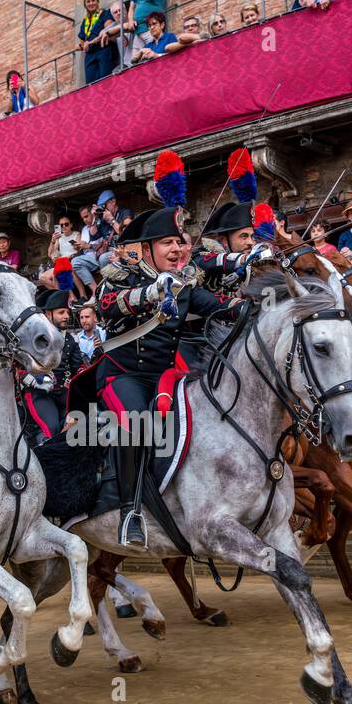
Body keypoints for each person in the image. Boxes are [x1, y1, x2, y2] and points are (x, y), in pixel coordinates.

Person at [94, 202, 249, 546]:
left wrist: (254, 296)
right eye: (167, 243)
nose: (177, 249)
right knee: (136, 423)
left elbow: (219, 309)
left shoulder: (185, 284)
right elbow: (106, 307)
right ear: (146, 249)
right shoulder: (121, 276)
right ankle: (130, 511)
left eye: (179, 242)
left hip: (163, 376)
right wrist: (151, 292)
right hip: (120, 375)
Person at [23, 291, 85, 445]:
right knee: (51, 429)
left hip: (63, 392)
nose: (66, 316)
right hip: (39, 393)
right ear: (48, 314)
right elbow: (18, 365)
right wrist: (31, 379)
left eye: (68, 312)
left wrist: (81, 379)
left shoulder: (69, 339)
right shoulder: (33, 337)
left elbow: (78, 367)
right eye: (61, 312)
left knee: (83, 418)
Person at [79, 0, 118, 84]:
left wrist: (89, 42)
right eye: (88, 1)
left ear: (97, 2)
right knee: (91, 85)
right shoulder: (85, 21)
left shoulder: (104, 13)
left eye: (93, 0)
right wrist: (81, 46)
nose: (91, 3)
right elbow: (81, 42)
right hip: (90, 55)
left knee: (106, 81)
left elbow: (109, 32)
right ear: (85, 4)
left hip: (104, 50)